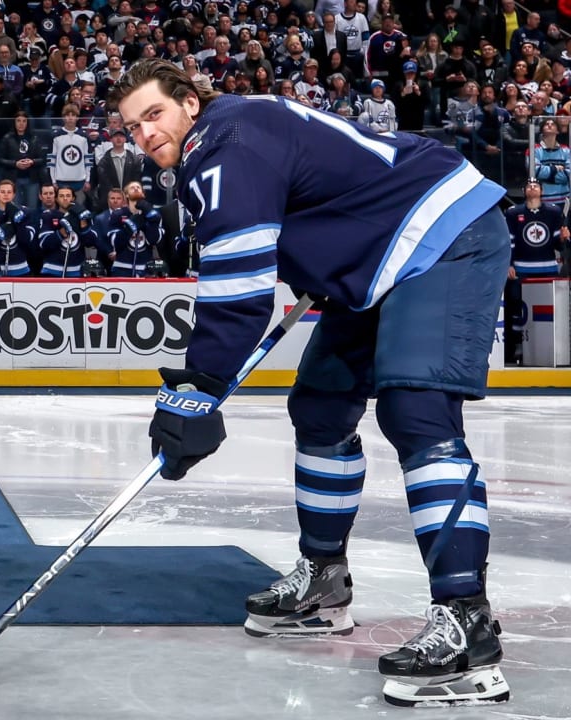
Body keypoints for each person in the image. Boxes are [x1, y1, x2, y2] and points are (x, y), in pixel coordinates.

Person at [114, 59, 510, 707]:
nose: (144, 134)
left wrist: (199, 389)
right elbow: (312, 196)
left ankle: (466, 618)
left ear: (190, 103)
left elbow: (238, 292)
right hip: (377, 251)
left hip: (444, 233)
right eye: (132, 127)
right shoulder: (229, 136)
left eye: (154, 114)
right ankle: (323, 582)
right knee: (321, 407)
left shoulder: (222, 145)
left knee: (417, 414)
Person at [503, 179, 566, 364]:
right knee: (517, 309)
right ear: (524, 190)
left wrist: (563, 239)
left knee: (548, 312)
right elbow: (510, 242)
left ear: (542, 190)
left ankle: (551, 348)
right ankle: (518, 347)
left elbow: (558, 244)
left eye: (536, 186)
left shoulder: (554, 212)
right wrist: (509, 264)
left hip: (547, 269)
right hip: (521, 269)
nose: (532, 188)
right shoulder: (514, 213)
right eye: (529, 186)